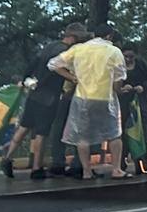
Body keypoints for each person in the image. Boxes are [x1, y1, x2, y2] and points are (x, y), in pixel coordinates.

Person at [1, 22, 88, 179]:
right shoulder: (65, 52)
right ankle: (37, 168)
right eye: (80, 39)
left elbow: (33, 63)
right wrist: (74, 78)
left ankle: (7, 157)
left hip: (34, 92)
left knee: (24, 127)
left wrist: (26, 79)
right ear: (73, 37)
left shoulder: (49, 46)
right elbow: (55, 68)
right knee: (42, 132)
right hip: (49, 96)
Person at [49, 23, 129, 179]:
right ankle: (116, 169)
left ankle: (86, 171)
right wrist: (118, 90)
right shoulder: (114, 51)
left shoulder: (79, 49)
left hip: (82, 98)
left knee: (82, 136)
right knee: (114, 134)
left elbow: (53, 64)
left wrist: (72, 77)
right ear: (109, 36)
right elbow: (119, 77)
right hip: (105, 97)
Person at [120, 46, 147, 175]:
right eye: (126, 57)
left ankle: (142, 165)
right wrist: (122, 88)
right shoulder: (117, 65)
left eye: (131, 57)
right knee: (122, 134)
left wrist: (144, 87)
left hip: (140, 103)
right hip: (123, 104)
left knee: (141, 134)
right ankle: (120, 164)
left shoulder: (141, 65)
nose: (129, 59)